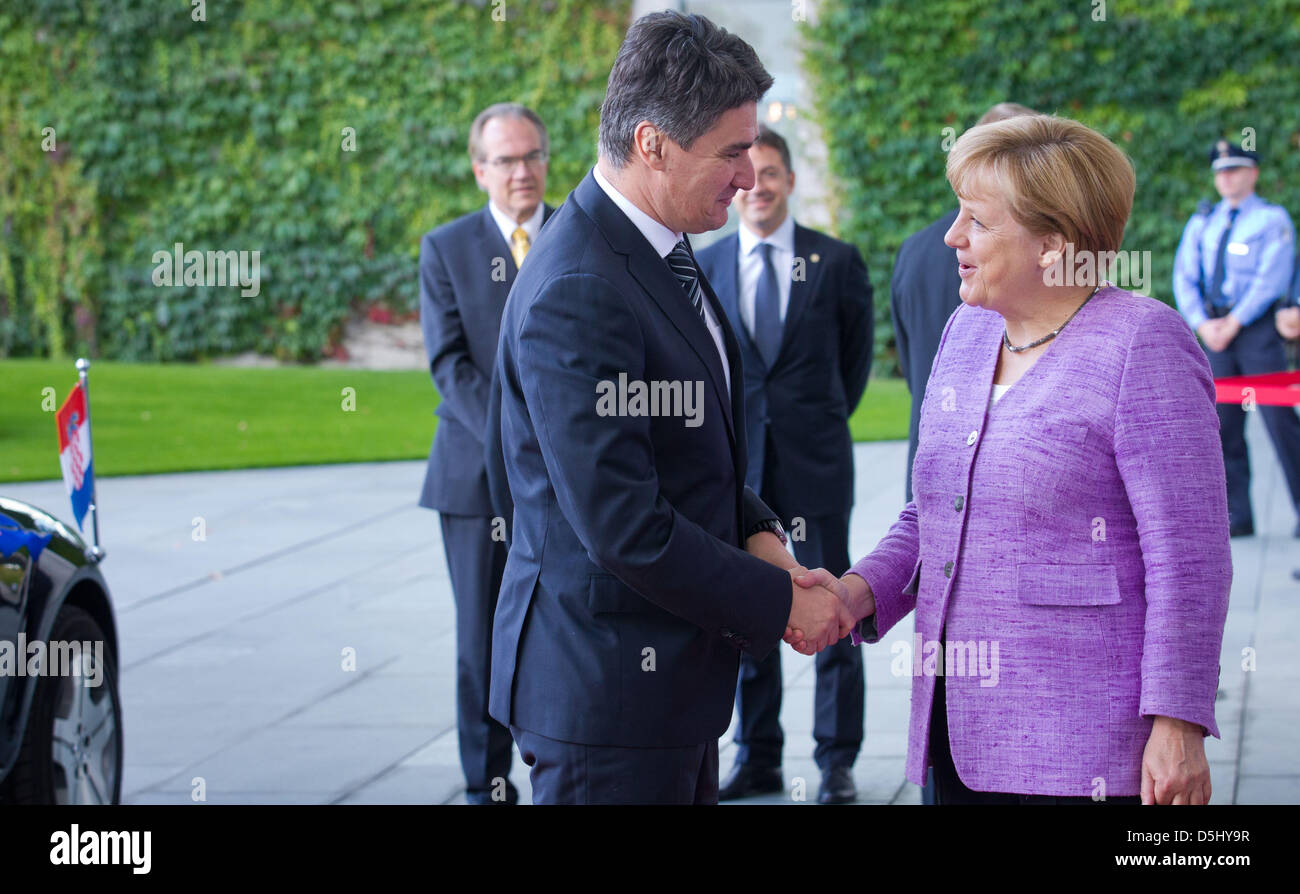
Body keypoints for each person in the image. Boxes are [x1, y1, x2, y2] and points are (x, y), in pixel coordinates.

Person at [796, 114, 1231, 804]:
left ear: (1053, 244)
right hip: (955, 734)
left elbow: (1190, 557)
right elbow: (939, 507)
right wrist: (858, 592)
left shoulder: (1143, 343)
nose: (952, 237)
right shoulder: (967, 331)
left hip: (1085, 743)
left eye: (978, 221)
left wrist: (1179, 721)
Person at [488, 10, 852, 805]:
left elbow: (692, 446)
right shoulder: (580, 287)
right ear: (652, 144)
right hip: (606, 702)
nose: (750, 177)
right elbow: (623, 524)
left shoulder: (661, 245)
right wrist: (783, 601)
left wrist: (765, 539)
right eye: (731, 153)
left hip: (666, 693)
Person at [696, 125, 873, 804]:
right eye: (749, 171)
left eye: (772, 172)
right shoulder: (702, 263)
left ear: (790, 181)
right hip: (739, 473)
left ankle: (836, 761)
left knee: (835, 604)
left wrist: (815, 422)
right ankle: (760, 754)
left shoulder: (836, 262)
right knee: (751, 610)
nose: (759, 185)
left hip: (816, 464)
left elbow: (852, 369)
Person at [416, 102, 555, 805]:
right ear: (480, 170)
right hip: (473, 483)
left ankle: (556, 769)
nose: (522, 171)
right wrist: (518, 439)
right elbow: (449, 366)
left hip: (567, 479)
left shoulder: (576, 232)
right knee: (481, 641)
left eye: (532, 155)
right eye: (505, 160)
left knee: (558, 634)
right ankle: (488, 784)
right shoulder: (446, 248)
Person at [892, 103, 1037, 504]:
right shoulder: (1026, 264)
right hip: (996, 483)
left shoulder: (912, 250)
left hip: (933, 473)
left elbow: (910, 364)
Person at [1173, 140, 1300, 538]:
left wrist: (1235, 322)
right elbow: (1184, 275)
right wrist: (1200, 322)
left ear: (1253, 173)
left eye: (1235, 170)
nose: (1226, 178)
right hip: (1214, 333)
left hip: (1255, 332)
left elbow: (1273, 277)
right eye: (1221, 172)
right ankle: (1237, 517)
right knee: (1222, 425)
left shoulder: (1271, 219)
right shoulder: (1203, 222)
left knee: (1280, 422)